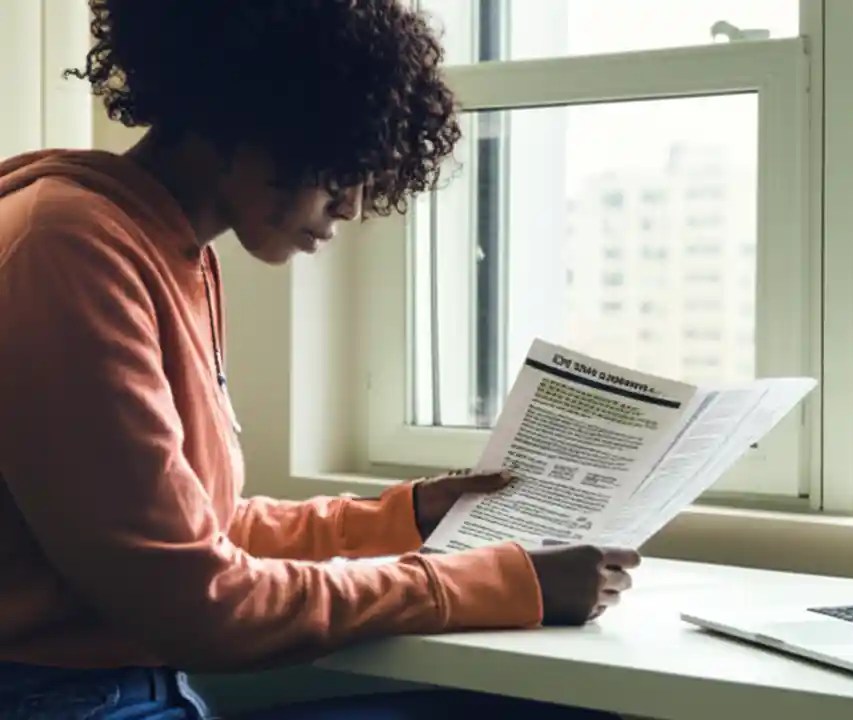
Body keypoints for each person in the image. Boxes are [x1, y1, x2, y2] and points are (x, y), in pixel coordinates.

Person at [0, 1, 639, 717]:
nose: (356, 204)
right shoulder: (68, 251)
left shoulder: (168, 251)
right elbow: (196, 599)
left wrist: (405, 518)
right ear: (246, 114)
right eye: (339, 162)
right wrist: (496, 584)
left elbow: (196, 527)